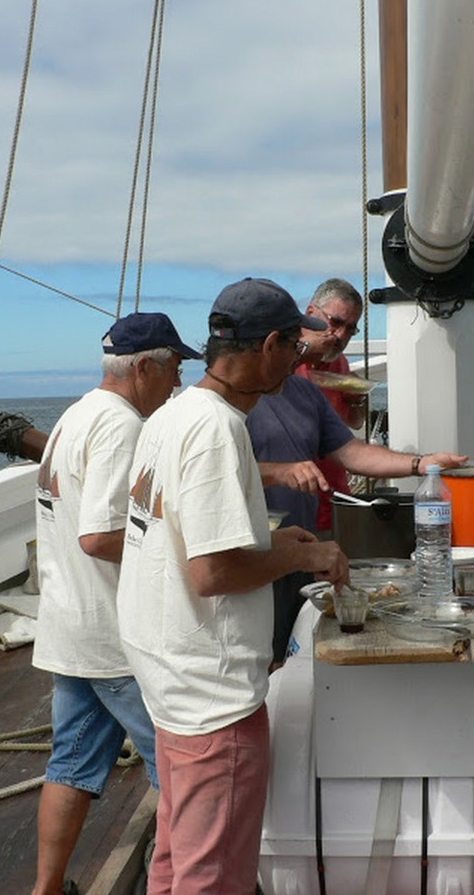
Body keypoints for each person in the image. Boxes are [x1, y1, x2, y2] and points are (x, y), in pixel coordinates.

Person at [116, 278, 350, 894]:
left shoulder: (172, 416)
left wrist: (278, 546)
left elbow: (183, 540)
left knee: (174, 858)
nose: (302, 362)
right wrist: (304, 559)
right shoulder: (220, 431)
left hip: (167, 677)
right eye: (296, 349)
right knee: (213, 876)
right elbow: (213, 573)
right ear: (270, 345)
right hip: (211, 695)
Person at [30, 312, 201, 895]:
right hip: (115, 639)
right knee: (183, 769)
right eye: (174, 367)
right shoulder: (122, 426)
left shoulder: (74, 415)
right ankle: (179, 884)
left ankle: (47, 888)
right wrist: (186, 554)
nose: (177, 382)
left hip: (71, 628)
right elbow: (100, 536)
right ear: (144, 367)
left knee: (71, 765)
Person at [248, 374, 465, 666]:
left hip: (299, 547)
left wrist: (420, 464)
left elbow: (351, 452)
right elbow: (214, 472)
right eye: (290, 341)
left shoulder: (303, 391)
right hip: (248, 558)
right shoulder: (226, 401)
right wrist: (277, 472)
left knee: (292, 656)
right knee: (259, 661)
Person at [293, 278, 367, 531]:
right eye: (335, 322)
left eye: (350, 329)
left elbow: (352, 422)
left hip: (333, 503)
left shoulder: (339, 363)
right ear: (311, 313)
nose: (341, 335)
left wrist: (358, 399)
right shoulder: (283, 361)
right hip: (291, 508)